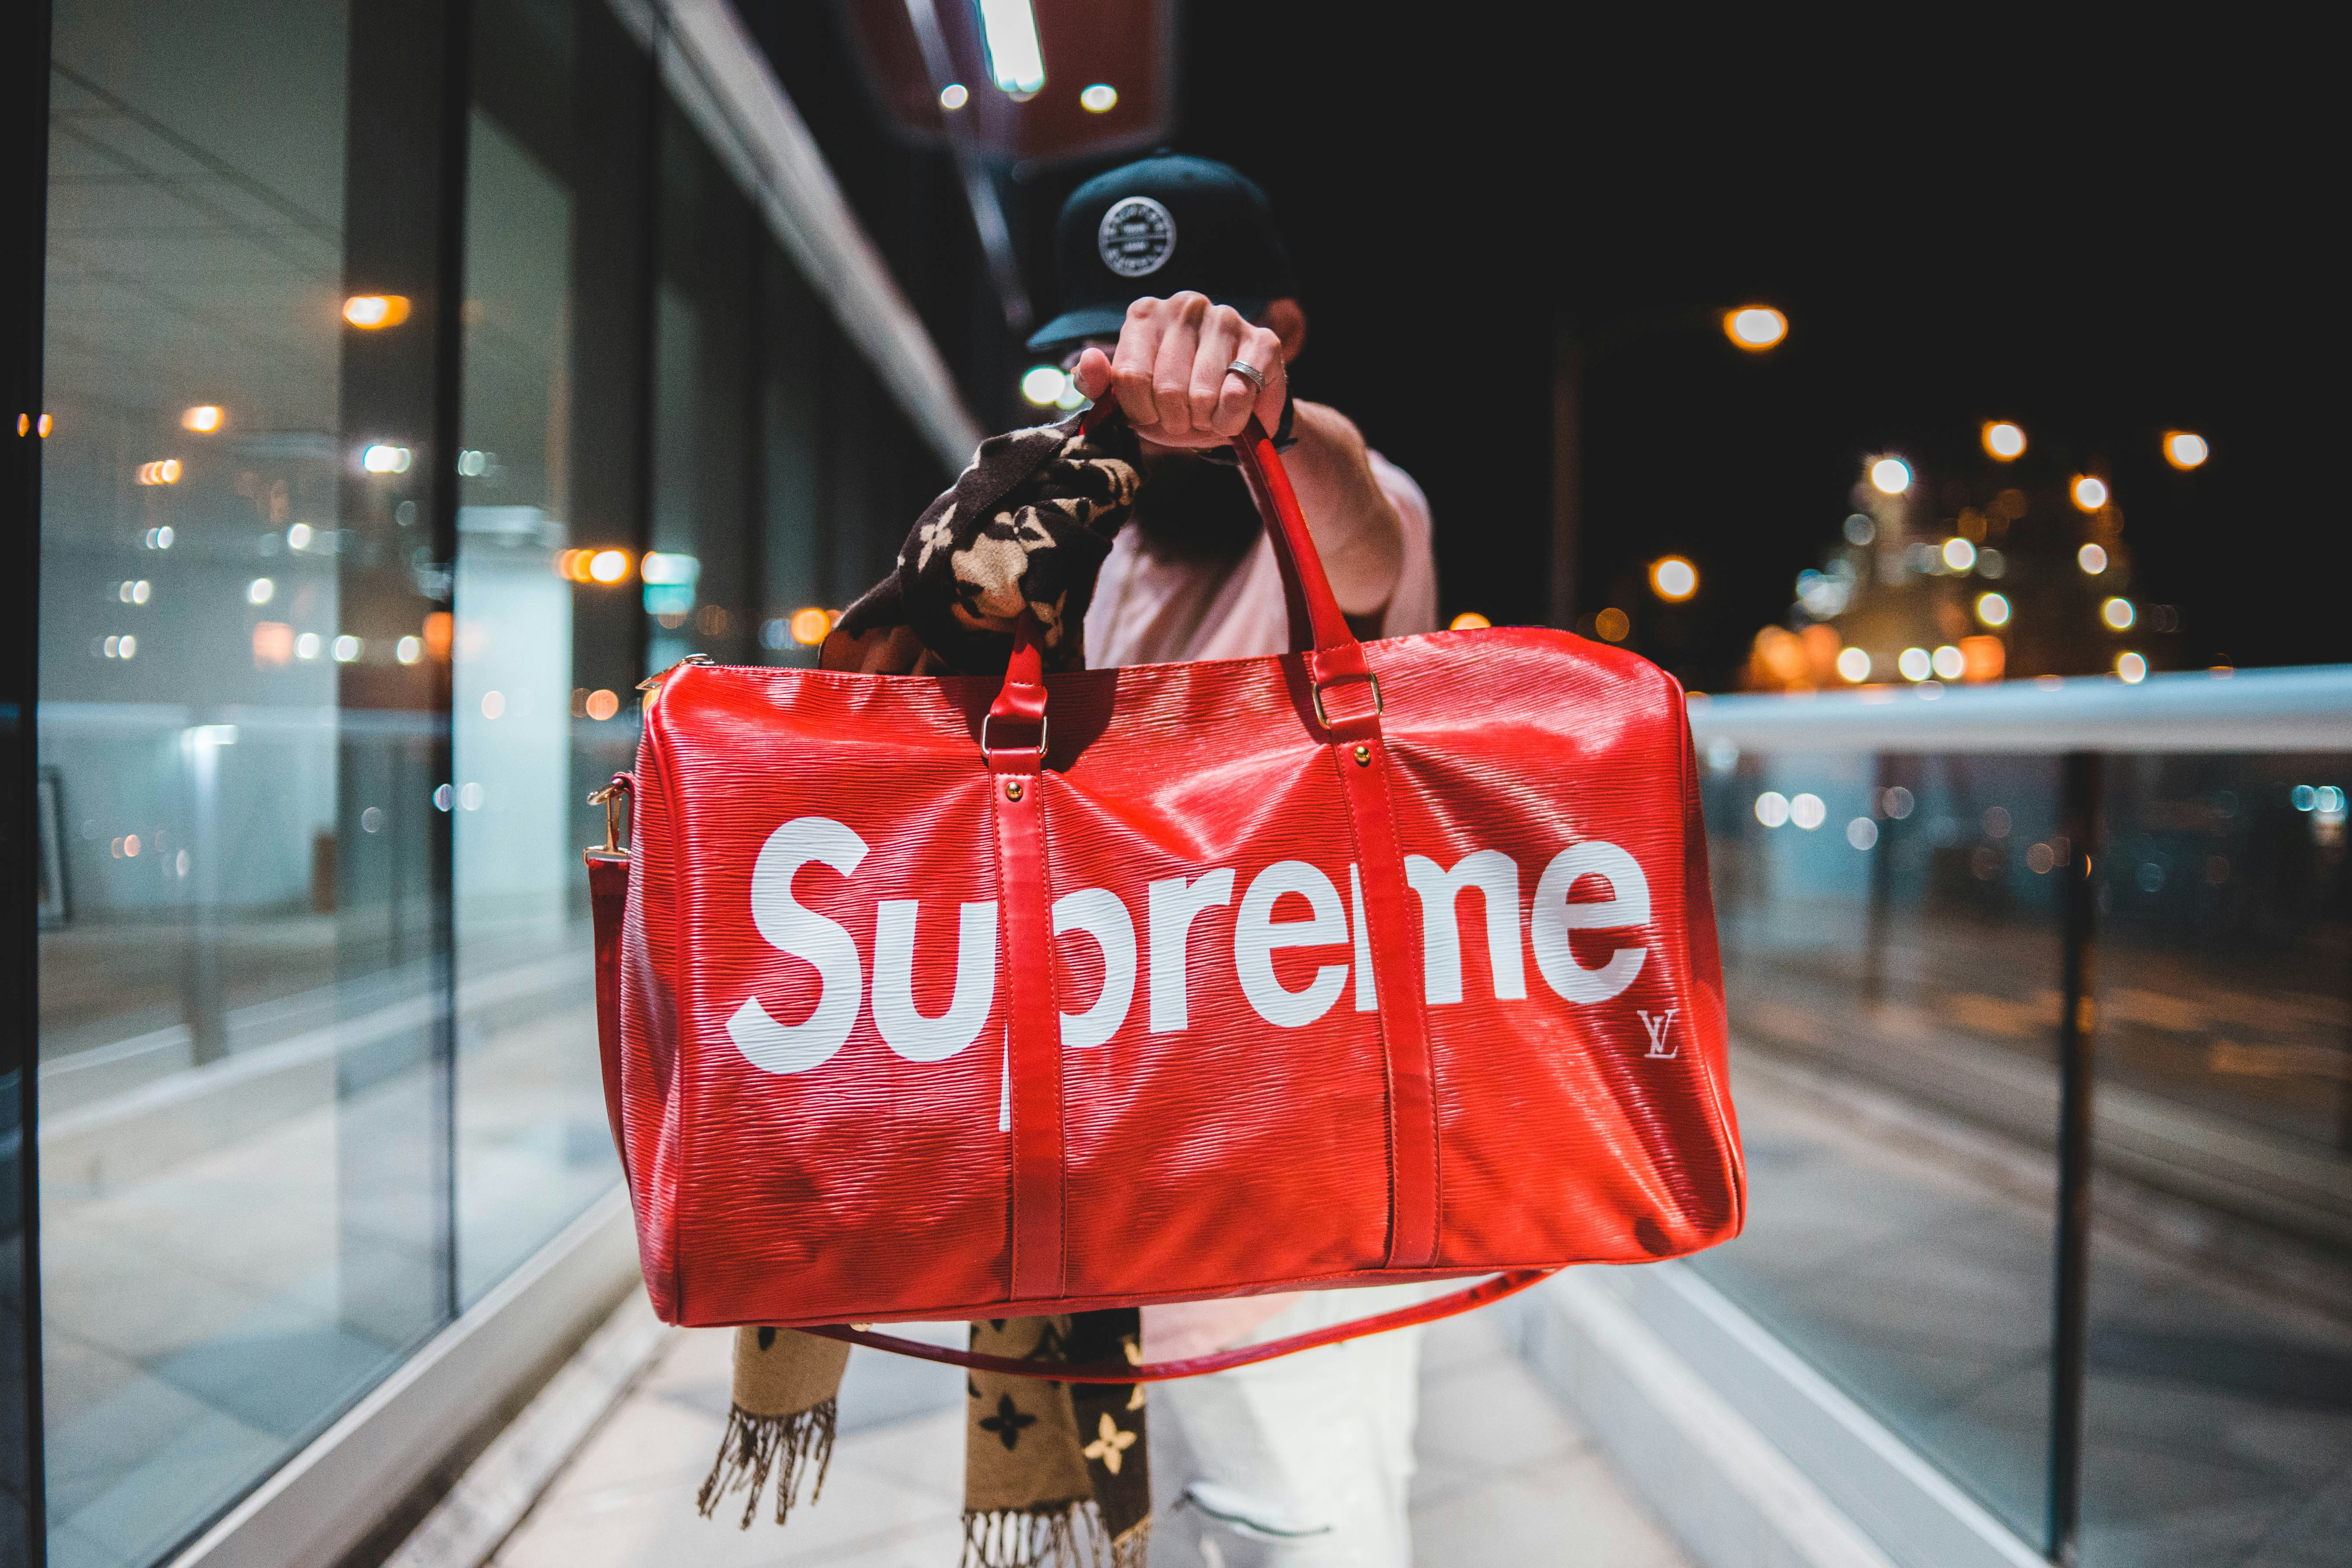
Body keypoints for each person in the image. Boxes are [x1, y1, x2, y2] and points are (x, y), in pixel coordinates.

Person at [1029, 155, 1441, 1568]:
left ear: (1284, 334)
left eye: (1194, 351)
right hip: (1112, 1157)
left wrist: (1279, 426)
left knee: (1307, 1520)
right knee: (1148, 1520)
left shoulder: (1346, 503)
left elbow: (1363, 541)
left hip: (1297, 1182)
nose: (1152, 397)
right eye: (1106, 357)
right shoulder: (1088, 540)